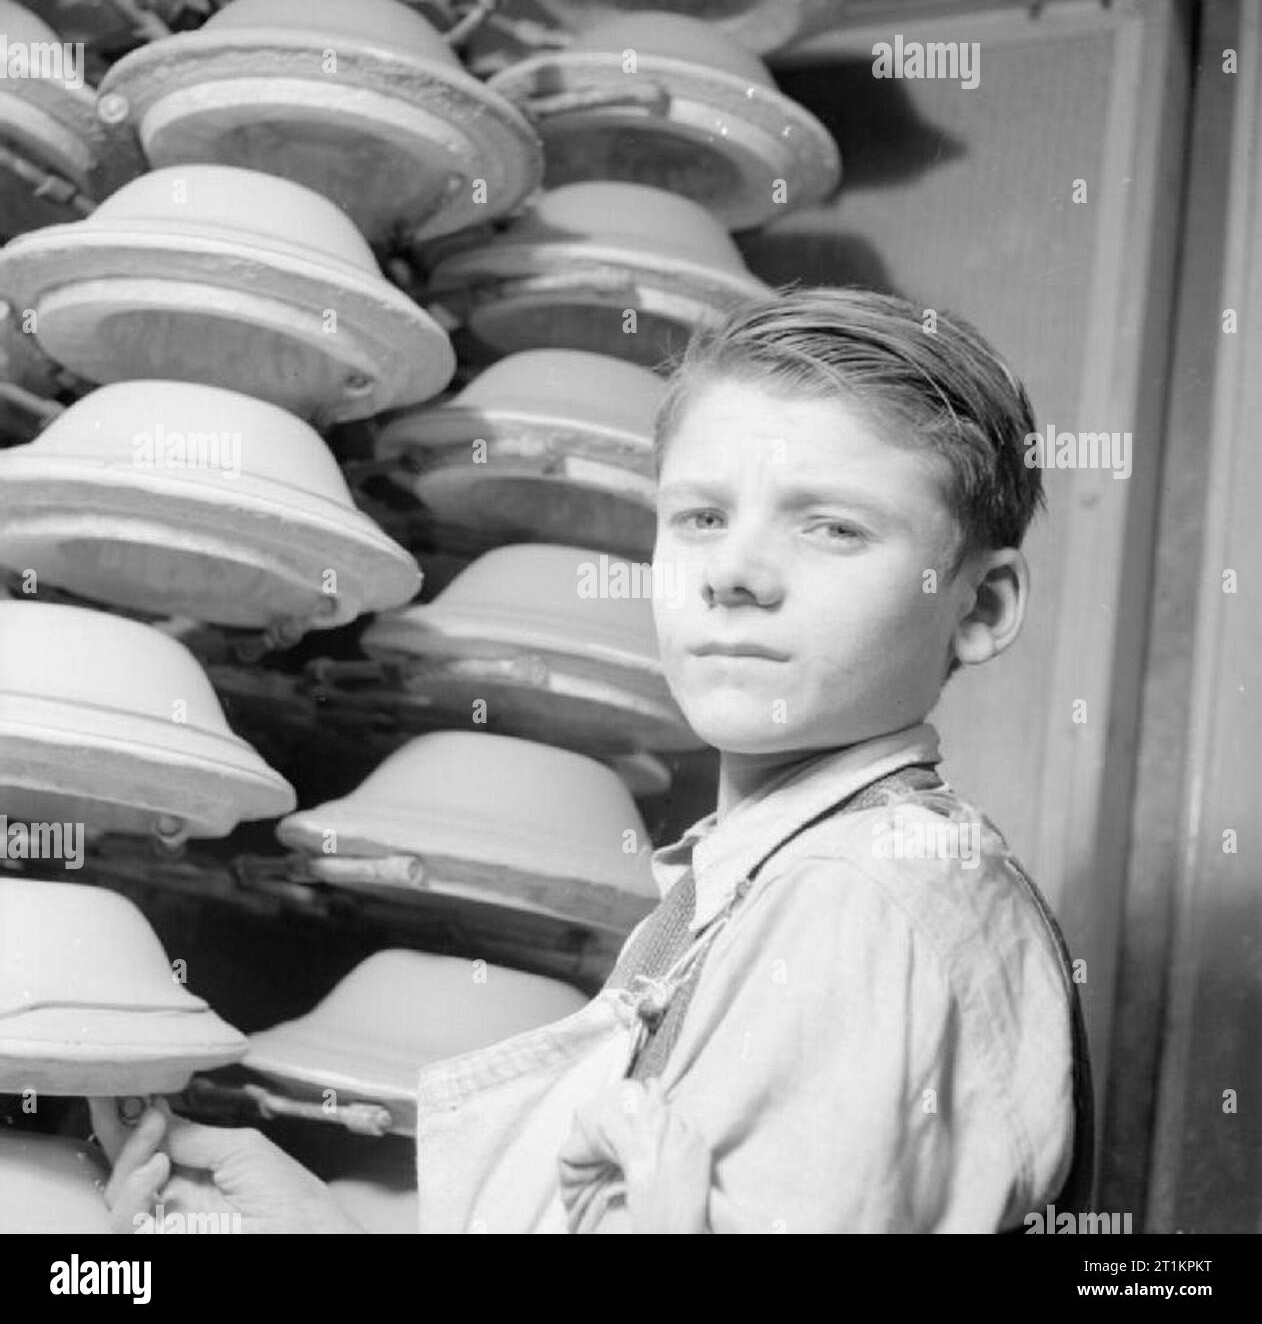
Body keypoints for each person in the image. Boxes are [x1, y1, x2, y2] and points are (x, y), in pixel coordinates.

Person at [92, 286, 1089, 1233]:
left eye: (831, 526)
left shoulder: (857, 897)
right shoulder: (766, 878)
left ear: (983, 606)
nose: (734, 573)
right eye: (701, 516)